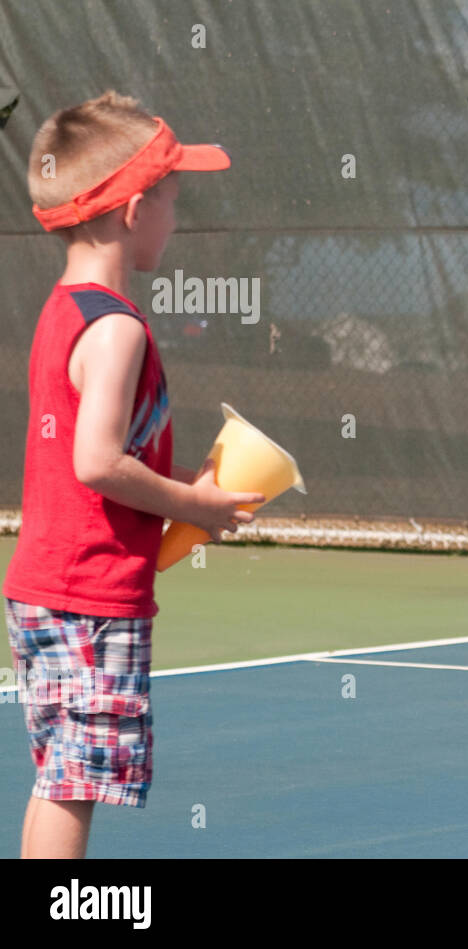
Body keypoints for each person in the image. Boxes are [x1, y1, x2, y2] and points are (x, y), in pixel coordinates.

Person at [3, 91, 264, 858]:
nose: (177, 220)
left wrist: (192, 486)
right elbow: (97, 462)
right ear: (135, 208)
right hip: (88, 593)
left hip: (50, 586)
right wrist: (194, 504)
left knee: (60, 776)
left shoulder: (66, 310)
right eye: (174, 202)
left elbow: (102, 452)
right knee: (76, 783)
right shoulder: (116, 327)